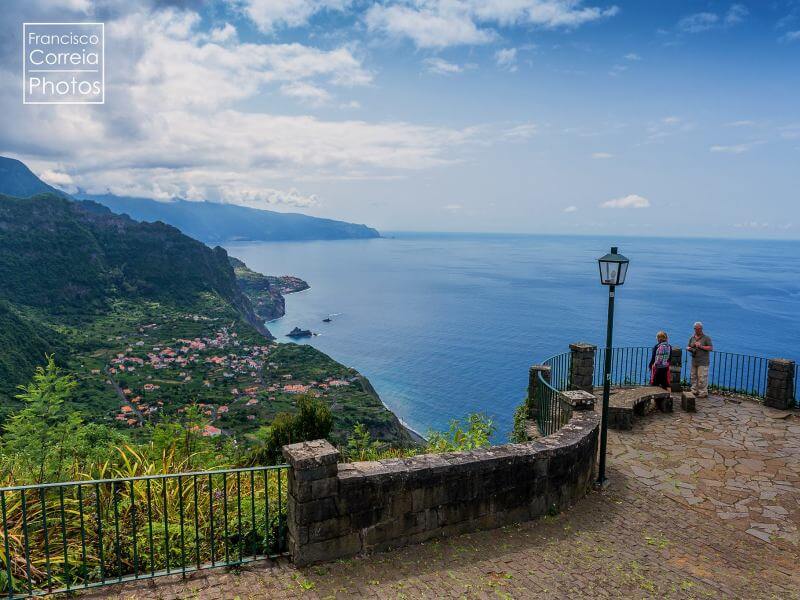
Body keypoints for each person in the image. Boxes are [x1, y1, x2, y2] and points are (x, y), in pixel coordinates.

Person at [687, 321, 713, 398]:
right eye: (696, 329)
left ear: (701, 329)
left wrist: (701, 346)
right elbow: (688, 346)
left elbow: (711, 348)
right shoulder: (692, 338)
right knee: (693, 377)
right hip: (694, 361)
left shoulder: (706, 338)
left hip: (703, 361)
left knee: (702, 377)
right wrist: (689, 348)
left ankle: (703, 392)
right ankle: (694, 390)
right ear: (694, 329)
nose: (697, 330)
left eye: (699, 329)